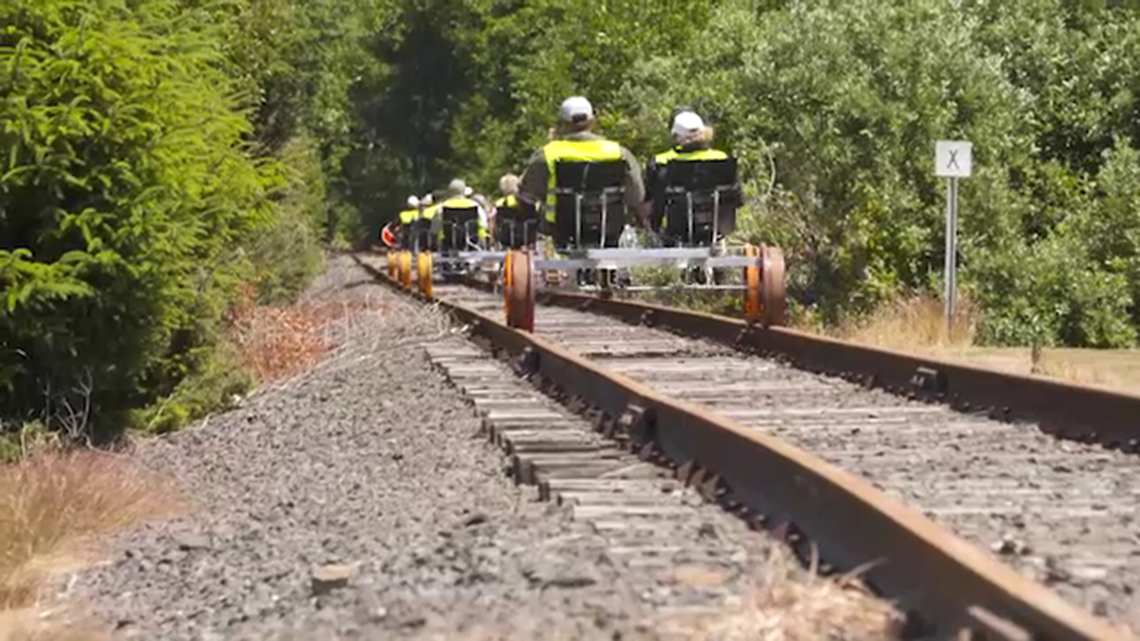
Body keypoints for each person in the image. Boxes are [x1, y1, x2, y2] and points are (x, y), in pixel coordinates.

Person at [518, 96, 646, 244]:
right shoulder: (619, 152)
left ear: (563, 124)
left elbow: (529, 191)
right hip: (610, 228)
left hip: (561, 229)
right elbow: (637, 196)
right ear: (592, 121)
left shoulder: (548, 154)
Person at [643, 110, 732, 234]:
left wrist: (652, 228)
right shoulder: (722, 158)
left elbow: (654, 202)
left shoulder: (662, 162)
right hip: (715, 230)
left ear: (675, 136)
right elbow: (736, 197)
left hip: (677, 230)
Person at [433, 178, 489, 250]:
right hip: (471, 243)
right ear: (463, 191)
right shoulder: (475, 205)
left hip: (449, 244)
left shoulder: (442, 207)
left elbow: (434, 229)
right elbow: (484, 224)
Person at [493, 173, 539, 249]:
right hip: (528, 237)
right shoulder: (529, 202)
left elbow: (494, 222)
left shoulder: (500, 203)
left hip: (507, 238)